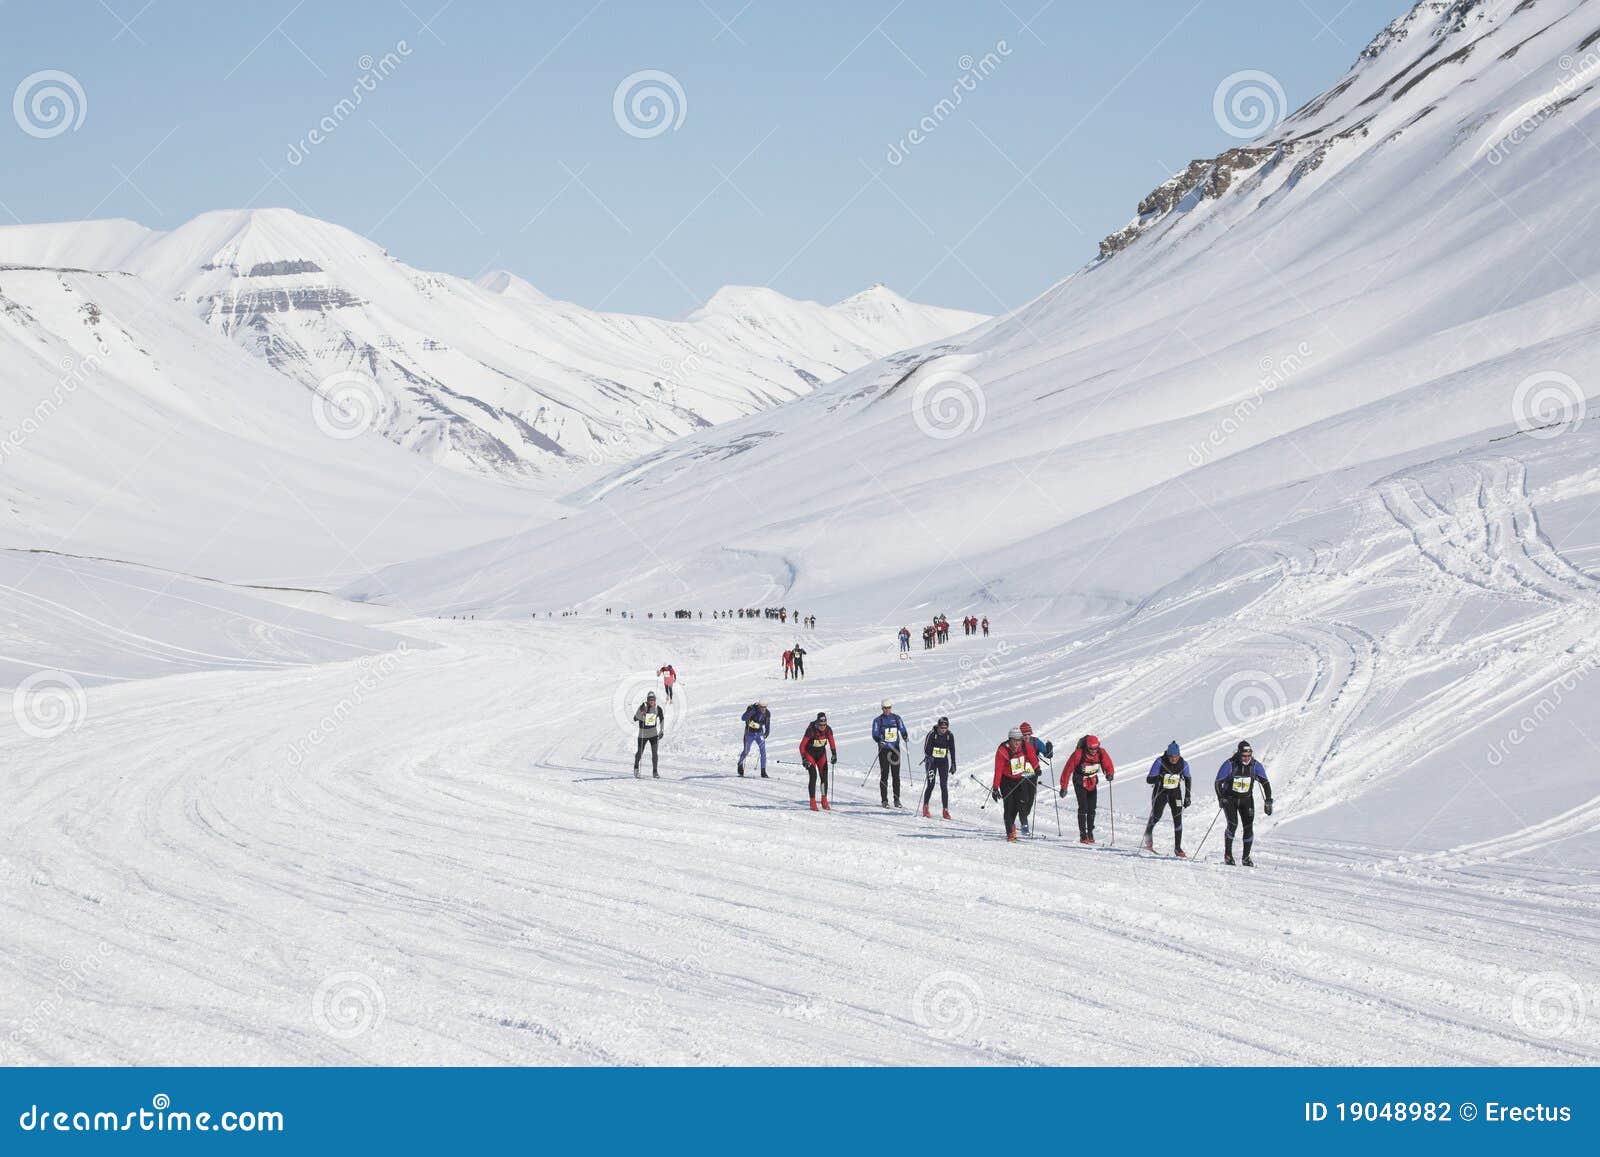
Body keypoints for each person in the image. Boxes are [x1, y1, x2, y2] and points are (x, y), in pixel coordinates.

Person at [1214, 740, 1272, 866]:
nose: (1246, 759)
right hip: (1230, 799)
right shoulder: (1230, 764)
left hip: (1246, 799)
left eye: (1248, 756)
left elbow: (1265, 783)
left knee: (1248, 827)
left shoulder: (1255, 765)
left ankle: (1246, 857)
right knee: (1233, 824)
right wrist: (1221, 798)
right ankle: (1228, 855)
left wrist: (1268, 801)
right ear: (1239, 754)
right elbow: (1218, 782)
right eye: (1244, 756)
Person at [1059, 734, 1115, 844]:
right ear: (1087, 747)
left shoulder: (1101, 752)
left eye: (1096, 748)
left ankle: (1090, 832)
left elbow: (1107, 764)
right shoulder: (1078, 754)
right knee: (1083, 807)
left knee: (1092, 808)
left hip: (1092, 781)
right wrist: (1064, 787)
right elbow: (1067, 770)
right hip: (1080, 781)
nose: (1094, 751)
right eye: (1091, 749)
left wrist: (1109, 773)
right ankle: (1082, 834)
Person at [1143, 741, 1192, 856]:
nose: (1174, 759)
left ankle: (1178, 848)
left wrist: (1188, 796)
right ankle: (1148, 836)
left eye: (1176, 756)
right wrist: (1160, 777)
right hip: (1161, 793)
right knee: (1157, 815)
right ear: (1168, 755)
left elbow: (1188, 780)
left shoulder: (1183, 764)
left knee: (1178, 818)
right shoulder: (1160, 761)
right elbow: (1149, 779)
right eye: (1172, 757)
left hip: (1175, 794)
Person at [991, 726, 1040, 841]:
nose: (1017, 743)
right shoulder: (1003, 750)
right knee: (1009, 805)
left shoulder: (1024, 745)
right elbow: (998, 769)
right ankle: (1010, 831)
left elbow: (1032, 756)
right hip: (1006, 780)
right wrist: (995, 787)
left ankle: (1015, 824)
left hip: (1019, 778)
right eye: (1015, 740)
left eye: (1019, 740)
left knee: (1023, 801)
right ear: (1010, 739)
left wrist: (1036, 767)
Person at [871, 699, 910, 808]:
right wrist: (879, 740)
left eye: (889, 708)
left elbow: (902, 728)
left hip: (895, 750)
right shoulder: (878, 720)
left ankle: (897, 799)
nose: (887, 710)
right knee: (884, 774)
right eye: (885, 708)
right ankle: (884, 800)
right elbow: (874, 734)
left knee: (896, 775)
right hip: (883, 750)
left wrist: (905, 736)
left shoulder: (896, 718)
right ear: (882, 708)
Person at [799, 712, 838, 810]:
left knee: (824, 777)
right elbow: (802, 746)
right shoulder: (811, 730)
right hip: (810, 755)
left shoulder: (828, 730)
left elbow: (832, 742)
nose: (823, 727)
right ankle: (812, 802)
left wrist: (834, 754)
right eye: (821, 725)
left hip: (821, 755)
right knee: (813, 776)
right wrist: (804, 759)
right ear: (817, 723)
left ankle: (824, 800)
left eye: (824, 724)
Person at [921, 716, 956, 819]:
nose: (943, 730)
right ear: (938, 726)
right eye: (942, 727)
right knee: (931, 784)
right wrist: (930, 756)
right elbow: (926, 749)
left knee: (943, 786)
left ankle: (945, 810)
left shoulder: (950, 735)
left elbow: (952, 749)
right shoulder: (932, 734)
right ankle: (925, 806)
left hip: (943, 761)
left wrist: (953, 763)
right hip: (931, 761)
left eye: (945, 728)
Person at [633, 692, 665, 778]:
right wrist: (641, 713)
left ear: (655, 700)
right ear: (647, 700)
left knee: (655, 753)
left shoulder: (658, 708)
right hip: (643, 734)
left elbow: (662, 719)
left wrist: (661, 730)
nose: (651, 701)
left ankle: (655, 771)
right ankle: (636, 768)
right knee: (640, 752)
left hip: (653, 734)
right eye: (650, 699)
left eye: (653, 700)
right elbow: (635, 718)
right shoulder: (643, 707)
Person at [738, 700, 771, 778]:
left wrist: (766, 733)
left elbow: (767, 724)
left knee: (763, 752)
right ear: (759, 706)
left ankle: (763, 771)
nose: (763, 709)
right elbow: (743, 718)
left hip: (759, 733)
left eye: (765, 707)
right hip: (749, 733)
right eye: (761, 707)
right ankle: (740, 764)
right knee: (746, 751)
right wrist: (748, 712)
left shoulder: (767, 713)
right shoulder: (753, 710)